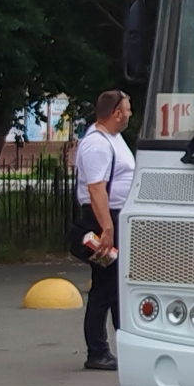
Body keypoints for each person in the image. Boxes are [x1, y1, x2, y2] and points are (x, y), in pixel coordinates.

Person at [73, 90, 136, 371]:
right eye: (128, 108)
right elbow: (96, 189)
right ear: (117, 113)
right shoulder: (97, 144)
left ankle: (125, 345)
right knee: (105, 286)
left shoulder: (113, 139)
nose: (131, 113)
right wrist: (107, 228)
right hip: (102, 220)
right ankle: (97, 351)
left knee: (115, 286)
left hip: (116, 218)